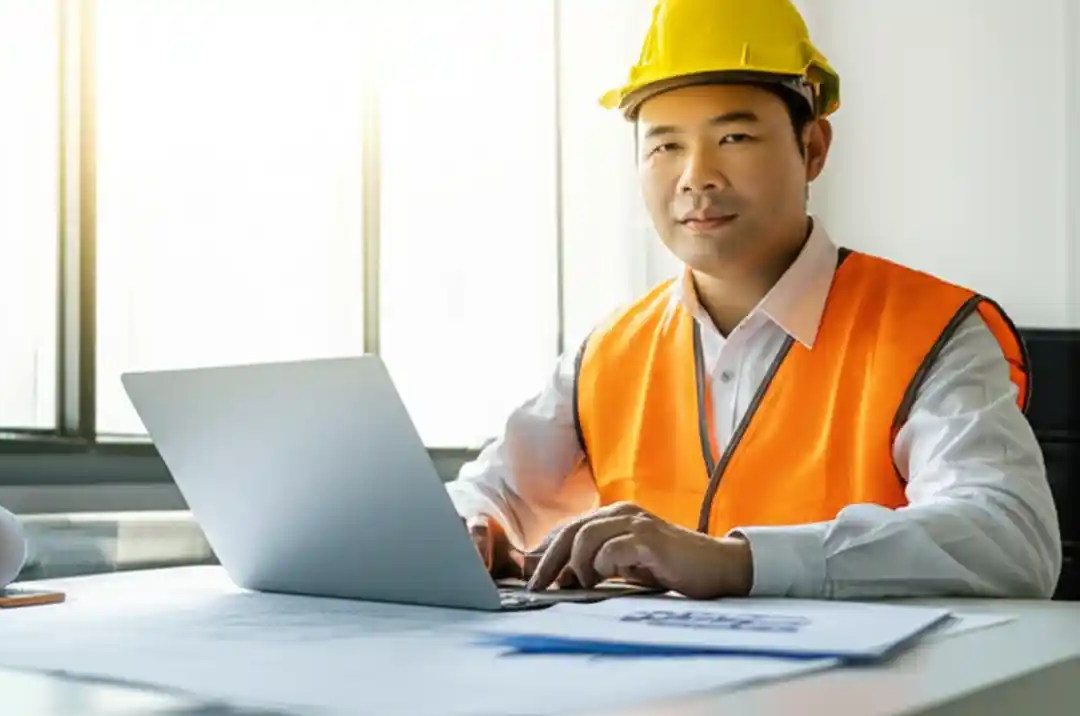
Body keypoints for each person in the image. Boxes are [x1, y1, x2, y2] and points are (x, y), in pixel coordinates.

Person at [447, 0, 1061, 600]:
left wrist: (739, 562)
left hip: (873, 671)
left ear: (813, 149)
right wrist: (470, 528)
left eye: (734, 136)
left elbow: (1010, 536)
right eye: (664, 146)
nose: (696, 176)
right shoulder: (609, 352)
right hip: (646, 670)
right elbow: (490, 493)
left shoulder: (929, 333)